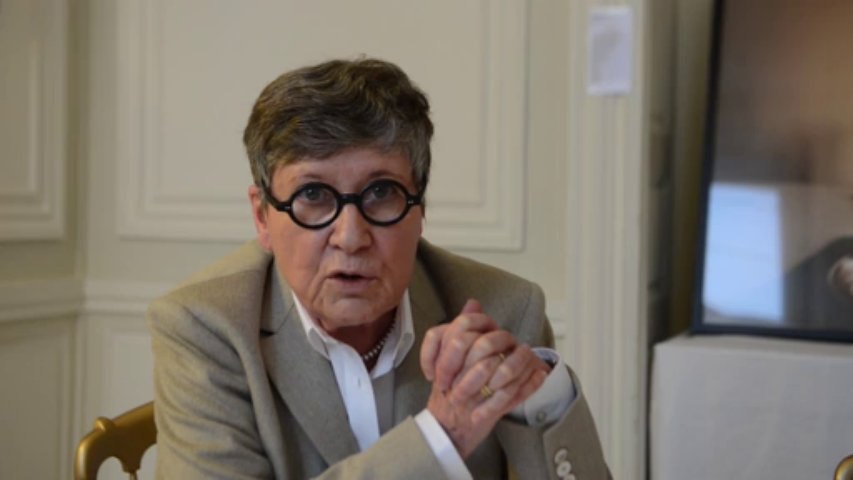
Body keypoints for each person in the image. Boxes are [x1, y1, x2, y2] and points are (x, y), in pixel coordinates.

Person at [148, 57, 610, 479]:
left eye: (381, 192)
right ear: (262, 216)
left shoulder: (503, 309)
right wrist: (441, 437)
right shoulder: (205, 325)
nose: (351, 236)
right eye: (313, 195)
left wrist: (544, 400)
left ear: (420, 207)